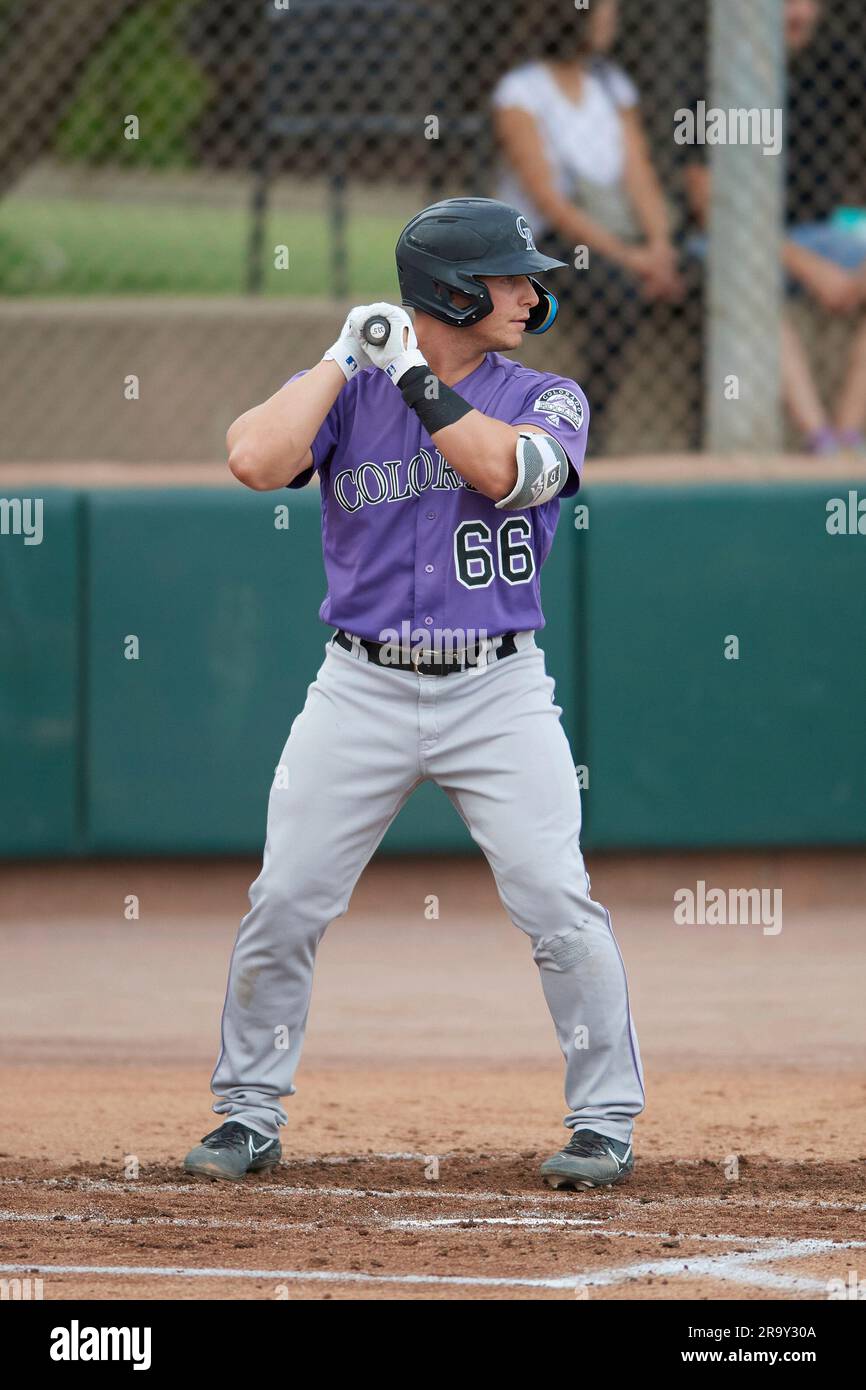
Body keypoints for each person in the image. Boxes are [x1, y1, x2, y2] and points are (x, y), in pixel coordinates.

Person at [183, 197, 645, 1191]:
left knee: (557, 903)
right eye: (508, 276)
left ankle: (604, 1121)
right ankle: (247, 1114)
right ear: (447, 288)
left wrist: (412, 376)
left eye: (528, 276)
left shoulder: (547, 394)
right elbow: (253, 459)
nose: (529, 291)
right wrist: (342, 355)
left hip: (498, 688)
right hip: (360, 685)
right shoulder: (351, 389)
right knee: (285, 900)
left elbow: (507, 472)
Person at [492, 0, 687, 451]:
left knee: (697, 281)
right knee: (615, 293)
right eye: (603, 10)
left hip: (621, 236)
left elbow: (639, 175)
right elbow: (550, 201)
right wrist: (631, 260)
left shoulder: (611, 84)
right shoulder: (520, 91)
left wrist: (659, 248)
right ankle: (583, 436)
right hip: (544, 242)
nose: (611, 19)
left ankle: (707, 433)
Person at [684, 0, 866, 454]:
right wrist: (813, 270)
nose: (796, 13)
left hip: (824, 233)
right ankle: (817, 437)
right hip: (732, 239)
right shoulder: (717, 74)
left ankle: (848, 436)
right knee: (750, 285)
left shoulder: (839, 68)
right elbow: (707, 202)